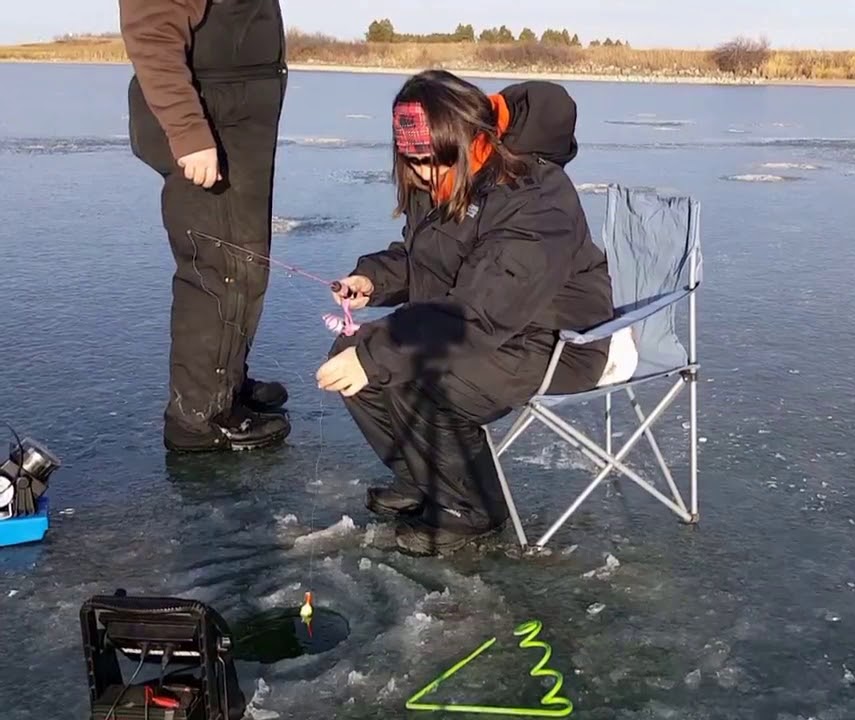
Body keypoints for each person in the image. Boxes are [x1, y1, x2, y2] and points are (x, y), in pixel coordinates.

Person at [315, 71, 615, 556]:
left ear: (466, 140)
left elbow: (481, 309)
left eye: (432, 161)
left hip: (554, 340)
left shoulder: (535, 196)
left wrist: (379, 354)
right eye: (412, 162)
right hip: (482, 327)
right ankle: (425, 478)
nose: (422, 174)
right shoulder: (445, 176)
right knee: (352, 354)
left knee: (410, 373)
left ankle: (470, 509)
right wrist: (376, 280)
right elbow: (432, 260)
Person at [119, 0, 292, 452]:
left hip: (232, 115)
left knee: (244, 260)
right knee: (218, 265)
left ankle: (224, 384)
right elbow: (151, 29)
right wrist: (188, 131)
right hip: (208, 116)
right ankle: (198, 417)